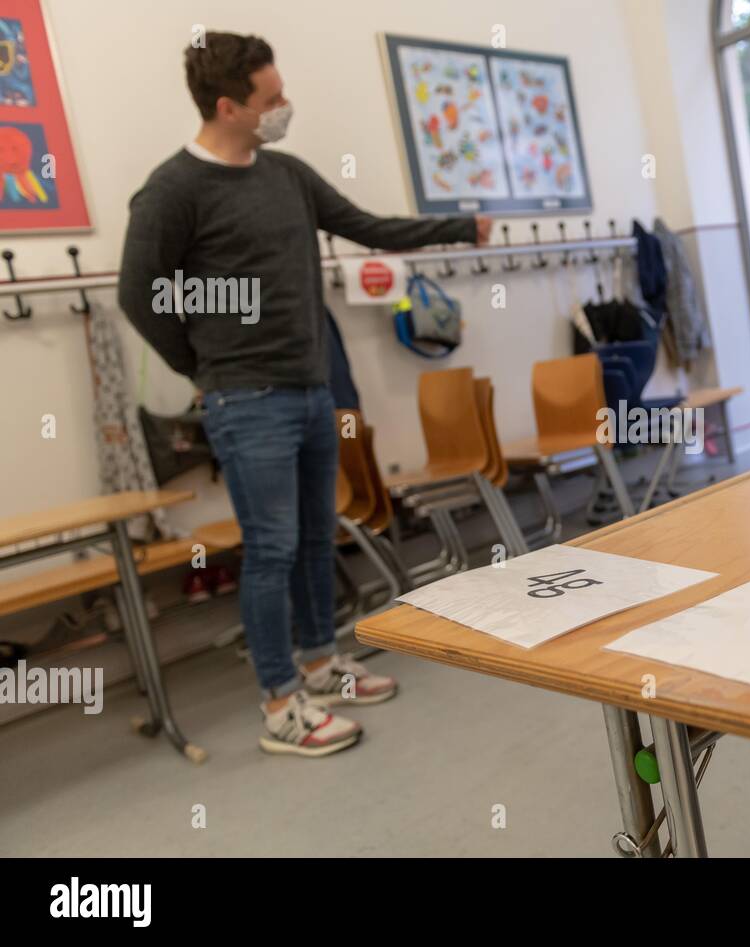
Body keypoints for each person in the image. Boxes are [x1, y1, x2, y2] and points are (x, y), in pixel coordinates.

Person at [118, 32, 491, 757]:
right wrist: (202, 365)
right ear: (229, 106)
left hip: (311, 389)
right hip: (244, 400)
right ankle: (280, 703)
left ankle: (323, 665)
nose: (285, 105)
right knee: (270, 550)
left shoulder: (285, 173)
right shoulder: (172, 191)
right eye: (271, 97)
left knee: (317, 537)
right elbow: (140, 294)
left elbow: (368, 228)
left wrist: (459, 226)